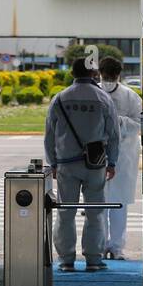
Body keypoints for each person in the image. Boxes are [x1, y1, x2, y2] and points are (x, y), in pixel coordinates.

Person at [44, 57, 120, 272]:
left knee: (65, 213)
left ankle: (66, 259)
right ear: (94, 74)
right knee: (95, 212)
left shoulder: (59, 99)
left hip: (66, 165)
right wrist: (112, 162)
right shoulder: (103, 99)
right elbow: (114, 134)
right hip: (95, 164)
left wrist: (53, 163)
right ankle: (93, 259)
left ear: (72, 74)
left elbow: (49, 135)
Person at [97, 56, 140, 260]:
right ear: (100, 74)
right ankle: (100, 244)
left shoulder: (131, 97)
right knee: (98, 203)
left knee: (119, 204)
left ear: (118, 75)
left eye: (111, 76)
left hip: (123, 158)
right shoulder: (94, 94)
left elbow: (140, 123)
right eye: (106, 76)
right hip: (97, 157)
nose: (108, 80)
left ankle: (116, 247)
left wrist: (118, 121)